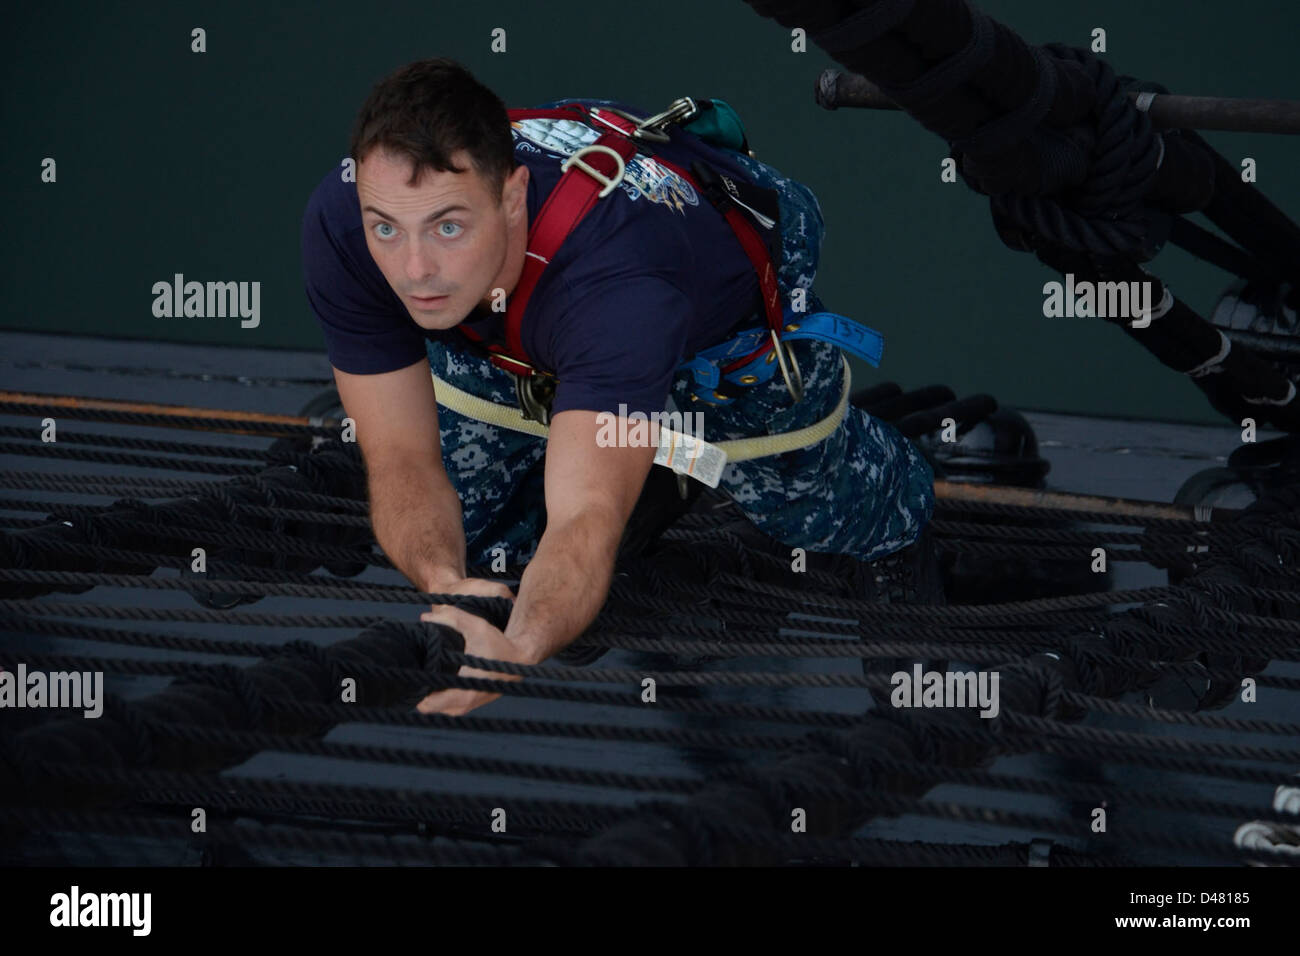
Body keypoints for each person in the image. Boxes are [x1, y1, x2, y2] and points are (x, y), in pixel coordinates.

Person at [300, 57, 934, 715]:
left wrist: (526, 640)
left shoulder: (620, 292)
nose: (413, 269)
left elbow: (586, 515)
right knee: (484, 542)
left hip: (714, 316)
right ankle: (660, 469)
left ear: (512, 197)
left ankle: (893, 522)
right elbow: (401, 458)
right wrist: (451, 586)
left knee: (816, 502)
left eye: (448, 226)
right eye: (387, 229)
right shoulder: (346, 224)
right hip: (527, 316)